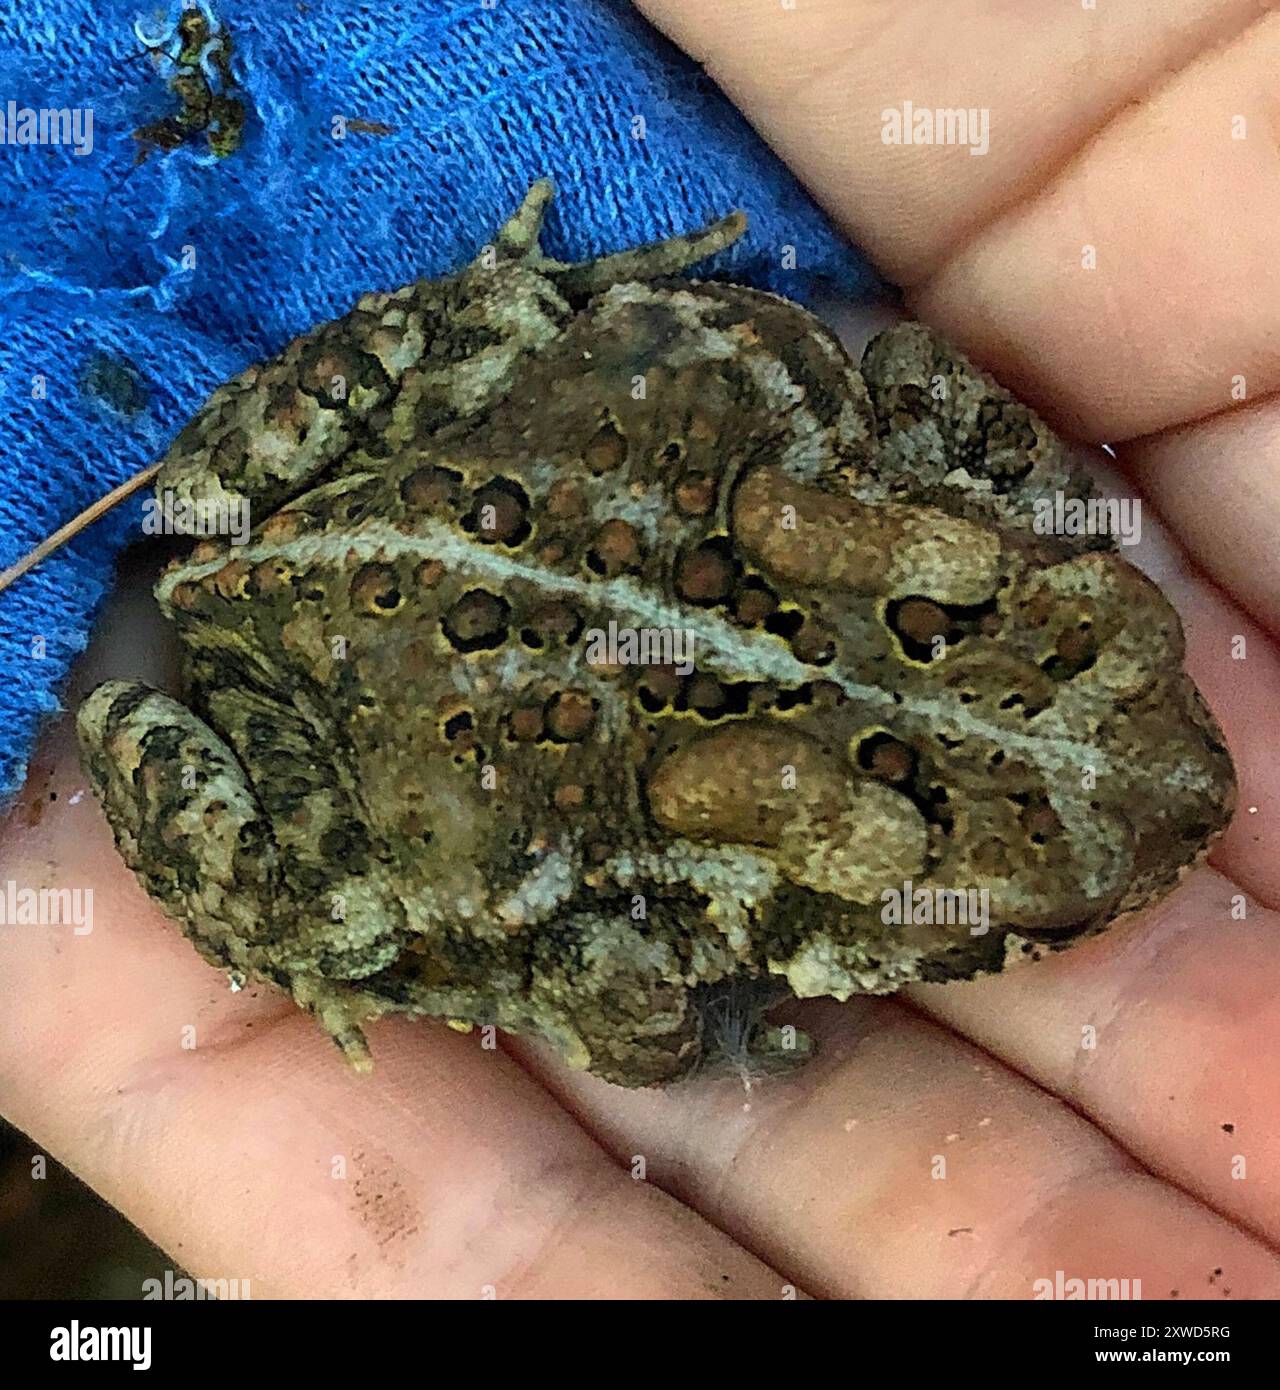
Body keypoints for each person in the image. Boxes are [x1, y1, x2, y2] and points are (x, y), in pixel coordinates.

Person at [1, 1, 1277, 1298]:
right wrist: (704, 1023)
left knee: (507, 358)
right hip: (294, 708)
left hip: (361, 470)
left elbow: (908, 376)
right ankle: (249, 880)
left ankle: (496, 317)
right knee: (325, 910)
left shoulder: (905, 537)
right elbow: (615, 996)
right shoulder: (743, 875)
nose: (1193, 768)